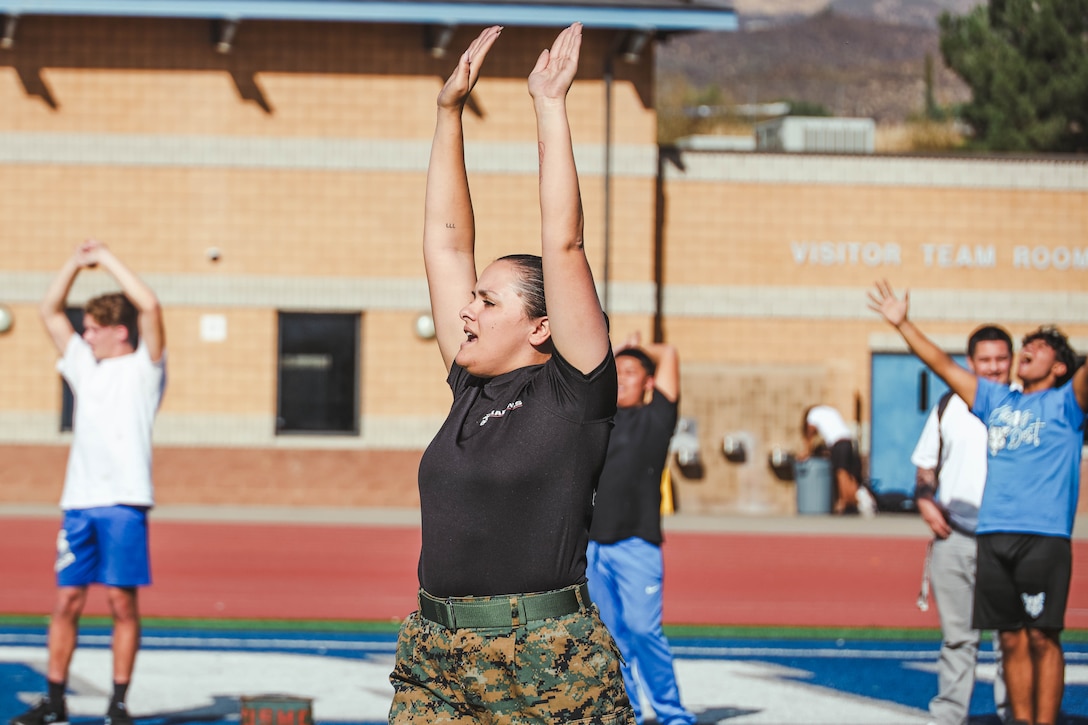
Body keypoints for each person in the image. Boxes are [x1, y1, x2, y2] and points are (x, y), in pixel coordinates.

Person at [387, 24, 634, 724]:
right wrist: (448, 115)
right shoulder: (469, 386)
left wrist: (549, 104)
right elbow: (444, 240)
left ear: (541, 326)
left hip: (545, 660)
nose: (465, 310)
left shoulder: (574, 388)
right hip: (436, 654)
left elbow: (565, 239)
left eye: (486, 301)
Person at [870, 280, 1087, 725]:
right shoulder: (994, 400)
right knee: (1008, 639)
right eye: (1026, 342)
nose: (1027, 348)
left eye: (1040, 346)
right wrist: (902, 324)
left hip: (1042, 538)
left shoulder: (1068, 404)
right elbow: (937, 362)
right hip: (993, 536)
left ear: (1061, 367)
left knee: (1042, 638)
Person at [14, 240, 166, 725]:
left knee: (122, 603)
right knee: (66, 601)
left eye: (94, 329)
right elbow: (48, 309)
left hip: (124, 503)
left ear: (120, 332)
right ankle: (55, 700)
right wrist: (76, 265)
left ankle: (117, 704)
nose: (85, 335)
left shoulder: (145, 369)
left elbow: (150, 304)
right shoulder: (84, 364)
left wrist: (109, 259)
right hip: (79, 503)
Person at [586, 333, 695, 725]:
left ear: (648, 382)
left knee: (643, 631)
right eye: (619, 372)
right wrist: (609, 360)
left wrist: (636, 350)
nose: (623, 378)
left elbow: (670, 353)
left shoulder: (656, 418)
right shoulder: (597, 416)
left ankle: (672, 714)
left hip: (636, 545)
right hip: (591, 548)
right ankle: (626, 713)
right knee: (610, 638)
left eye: (632, 372)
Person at [911, 324, 1013, 725]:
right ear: (970, 363)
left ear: (1012, 360)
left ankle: (1014, 714)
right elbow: (925, 467)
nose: (993, 368)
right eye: (984, 360)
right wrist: (924, 500)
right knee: (957, 639)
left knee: (1010, 641)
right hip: (954, 536)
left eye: (1001, 359)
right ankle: (950, 717)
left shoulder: (1025, 405)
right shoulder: (948, 404)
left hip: (1009, 541)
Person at [800, 404, 877, 516]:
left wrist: (807, 451)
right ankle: (853, 498)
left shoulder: (812, 415)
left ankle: (856, 501)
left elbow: (810, 433)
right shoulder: (829, 411)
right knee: (851, 476)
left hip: (839, 444)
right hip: (849, 442)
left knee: (842, 474)